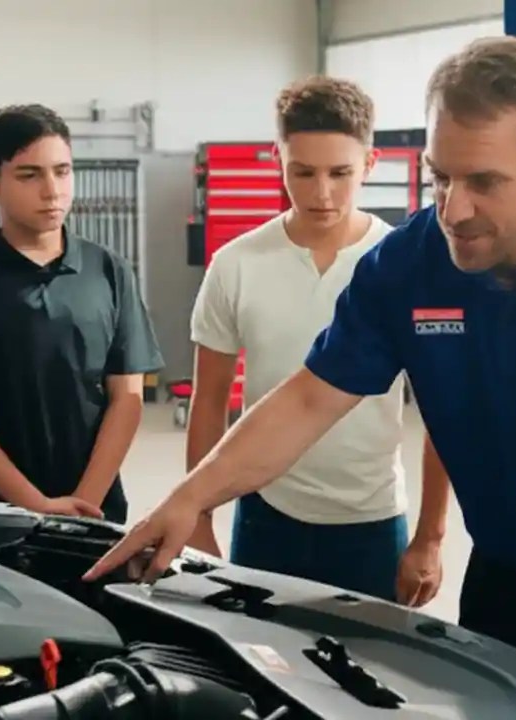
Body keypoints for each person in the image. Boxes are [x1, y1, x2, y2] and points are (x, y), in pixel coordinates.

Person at [87, 36, 516, 720]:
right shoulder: (406, 266)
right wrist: (192, 497)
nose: (453, 210)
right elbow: (310, 399)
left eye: (484, 182)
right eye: (440, 177)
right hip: (506, 571)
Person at [184, 76, 449, 605]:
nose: (321, 193)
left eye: (340, 173)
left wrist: (431, 537)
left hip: (372, 520)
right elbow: (208, 399)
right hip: (264, 513)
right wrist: (198, 514)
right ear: (280, 162)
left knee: (372, 676)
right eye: (302, 172)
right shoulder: (235, 265)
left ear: (371, 164)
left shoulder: (406, 266)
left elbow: (443, 412)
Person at [0, 104, 164, 523]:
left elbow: (127, 398)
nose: (52, 190)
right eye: (29, 175)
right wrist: (34, 504)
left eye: (62, 171)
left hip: (94, 512)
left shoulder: (107, 270)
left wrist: (84, 504)